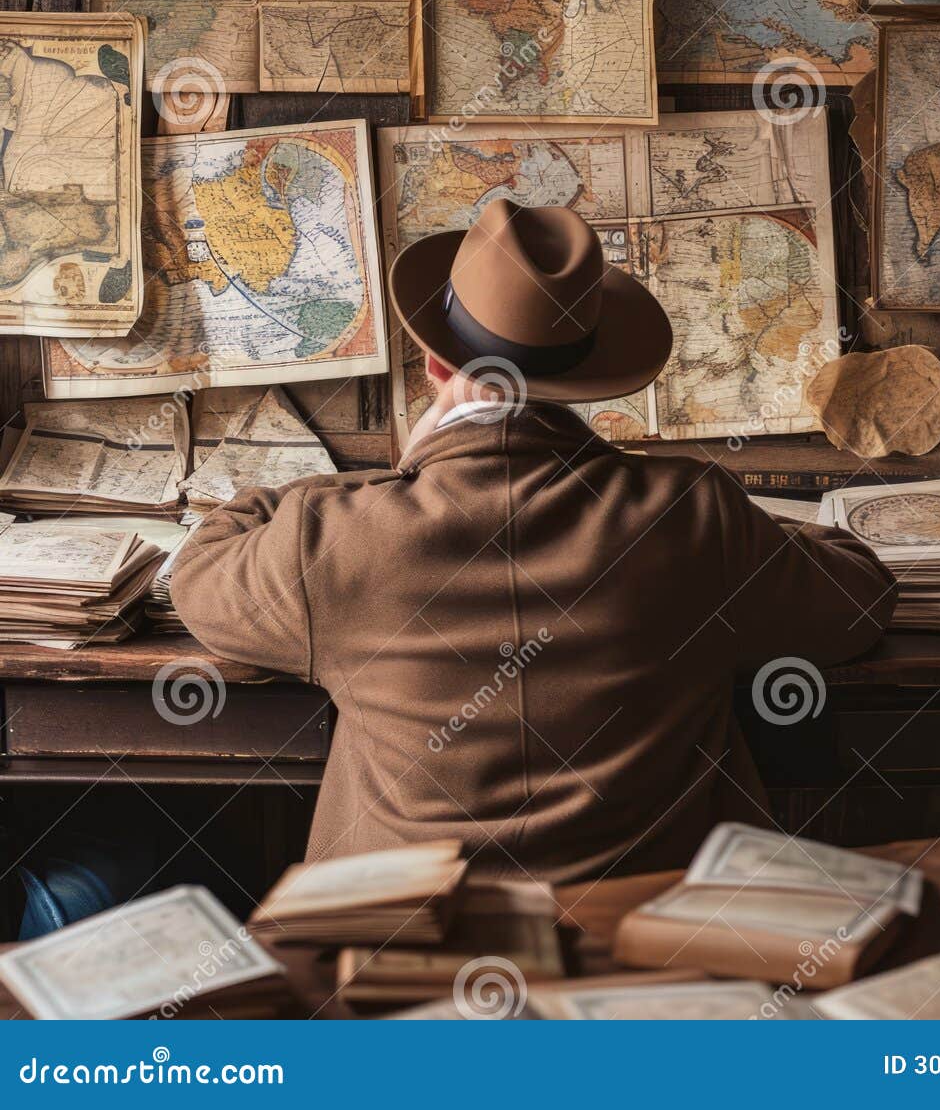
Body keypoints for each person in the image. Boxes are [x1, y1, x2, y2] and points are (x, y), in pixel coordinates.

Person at [171, 199, 897, 883]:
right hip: (650, 957)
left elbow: (199, 574)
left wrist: (348, 487)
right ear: (587, 379)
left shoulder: (331, 535)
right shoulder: (692, 512)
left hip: (401, 958)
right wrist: (748, 524)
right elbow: (858, 598)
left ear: (433, 365)